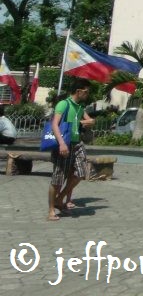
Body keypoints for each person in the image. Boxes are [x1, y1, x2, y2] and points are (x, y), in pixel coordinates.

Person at [47, 80, 94, 221]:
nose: (87, 95)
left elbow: (85, 120)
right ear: (79, 91)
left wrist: (88, 122)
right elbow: (55, 124)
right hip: (64, 143)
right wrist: (61, 143)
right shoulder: (64, 104)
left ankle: (60, 199)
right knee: (57, 179)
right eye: (86, 92)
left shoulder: (80, 107)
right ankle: (51, 210)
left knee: (80, 173)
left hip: (77, 143)